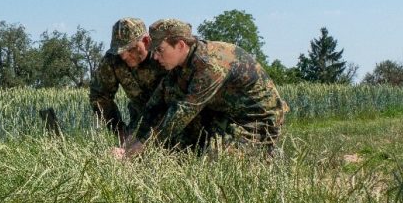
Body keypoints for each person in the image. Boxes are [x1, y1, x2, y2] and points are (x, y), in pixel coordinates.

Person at [119, 18, 288, 157]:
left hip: (257, 121)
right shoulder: (180, 64)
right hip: (224, 115)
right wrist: (128, 144)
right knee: (176, 148)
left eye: (160, 50)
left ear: (180, 45)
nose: (155, 56)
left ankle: (267, 154)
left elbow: (183, 112)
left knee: (217, 162)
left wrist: (140, 147)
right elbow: (154, 105)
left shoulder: (210, 64)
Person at [88, 18, 166, 143]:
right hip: (139, 121)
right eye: (120, 51)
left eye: (130, 49)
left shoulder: (164, 54)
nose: (123, 56)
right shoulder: (113, 59)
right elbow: (99, 95)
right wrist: (118, 130)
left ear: (146, 41)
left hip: (170, 120)